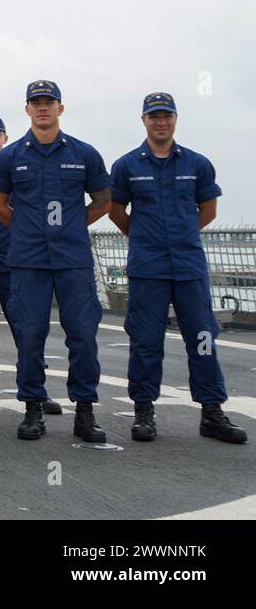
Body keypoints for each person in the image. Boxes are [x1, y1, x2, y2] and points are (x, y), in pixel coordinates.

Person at [109, 92, 246, 444]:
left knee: (202, 338)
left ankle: (211, 413)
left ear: (175, 118)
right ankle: (143, 411)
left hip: (189, 266)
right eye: (153, 116)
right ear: (144, 120)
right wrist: (143, 237)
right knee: (145, 340)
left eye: (166, 115)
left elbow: (209, 210)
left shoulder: (197, 164)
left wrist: (181, 236)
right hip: (147, 267)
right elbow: (116, 211)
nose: (160, 121)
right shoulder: (126, 166)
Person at [0, 80, 111, 442]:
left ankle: (85, 411)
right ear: (26, 109)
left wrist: (71, 226)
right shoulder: (12, 156)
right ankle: (32, 409)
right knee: (29, 335)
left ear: (60, 108)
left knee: (83, 334)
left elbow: (102, 201)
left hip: (73, 259)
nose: (42, 108)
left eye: (49, 102)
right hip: (28, 259)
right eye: (35, 103)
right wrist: (29, 227)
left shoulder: (84, 153)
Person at [0, 116, 63, 415]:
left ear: (5, 137)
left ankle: (36, 391)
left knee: (26, 326)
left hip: (15, 261)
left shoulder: (21, 172)